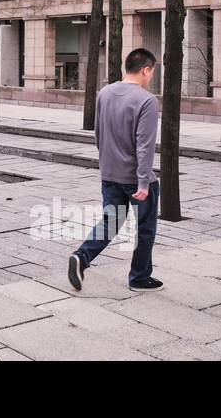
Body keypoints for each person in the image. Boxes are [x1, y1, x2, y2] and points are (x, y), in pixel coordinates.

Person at [68, 47, 163, 293]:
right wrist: (143, 182)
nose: (150, 76)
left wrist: (107, 167)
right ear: (146, 69)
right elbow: (145, 146)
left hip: (110, 173)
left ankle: (82, 256)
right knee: (145, 227)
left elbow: (99, 134)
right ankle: (140, 278)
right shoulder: (146, 100)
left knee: (110, 222)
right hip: (137, 178)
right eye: (151, 72)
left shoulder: (105, 93)